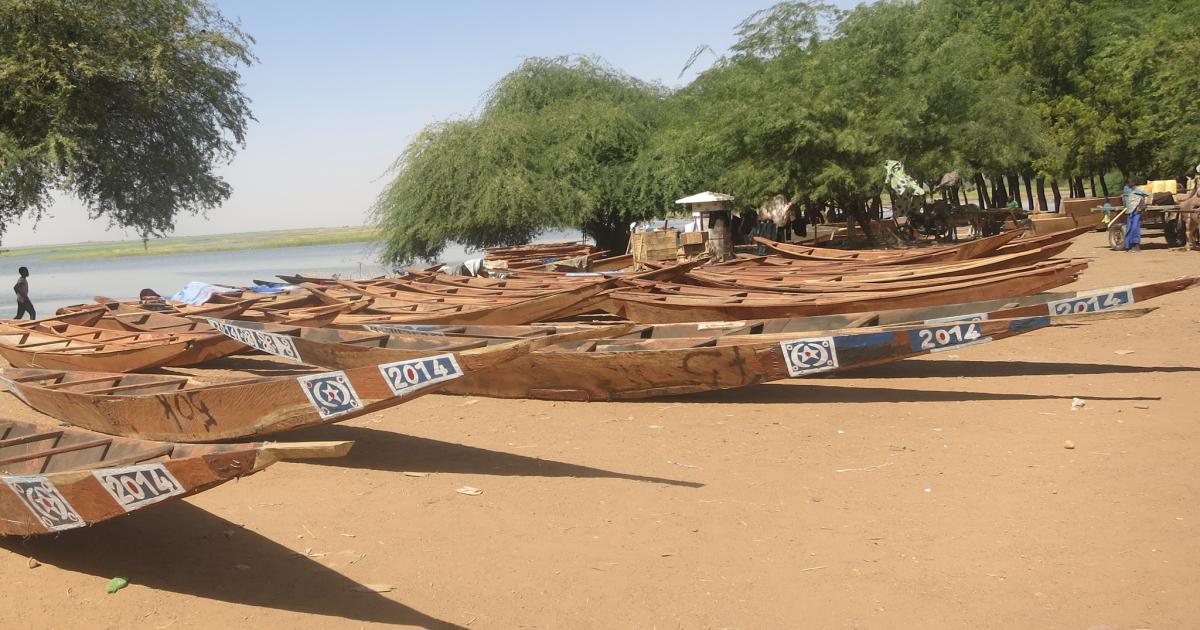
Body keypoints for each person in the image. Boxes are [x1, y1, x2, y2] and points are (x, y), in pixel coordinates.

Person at [1122, 177, 1151, 253]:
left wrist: (1144, 205)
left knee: (1135, 228)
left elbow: (1150, 194)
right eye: (1129, 182)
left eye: (1132, 182)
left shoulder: (1139, 190)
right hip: (1129, 212)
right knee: (1129, 228)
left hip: (1136, 211)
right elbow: (1124, 199)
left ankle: (1137, 246)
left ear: (1134, 182)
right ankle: (1129, 246)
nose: (1130, 183)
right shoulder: (1126, 189)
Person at [1178, 164, 1200, 251]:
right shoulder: (1197, 178)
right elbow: (1195, 190)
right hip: (1198, 198)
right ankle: (1189, 242)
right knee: (1189, 225)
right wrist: (1188, 198)